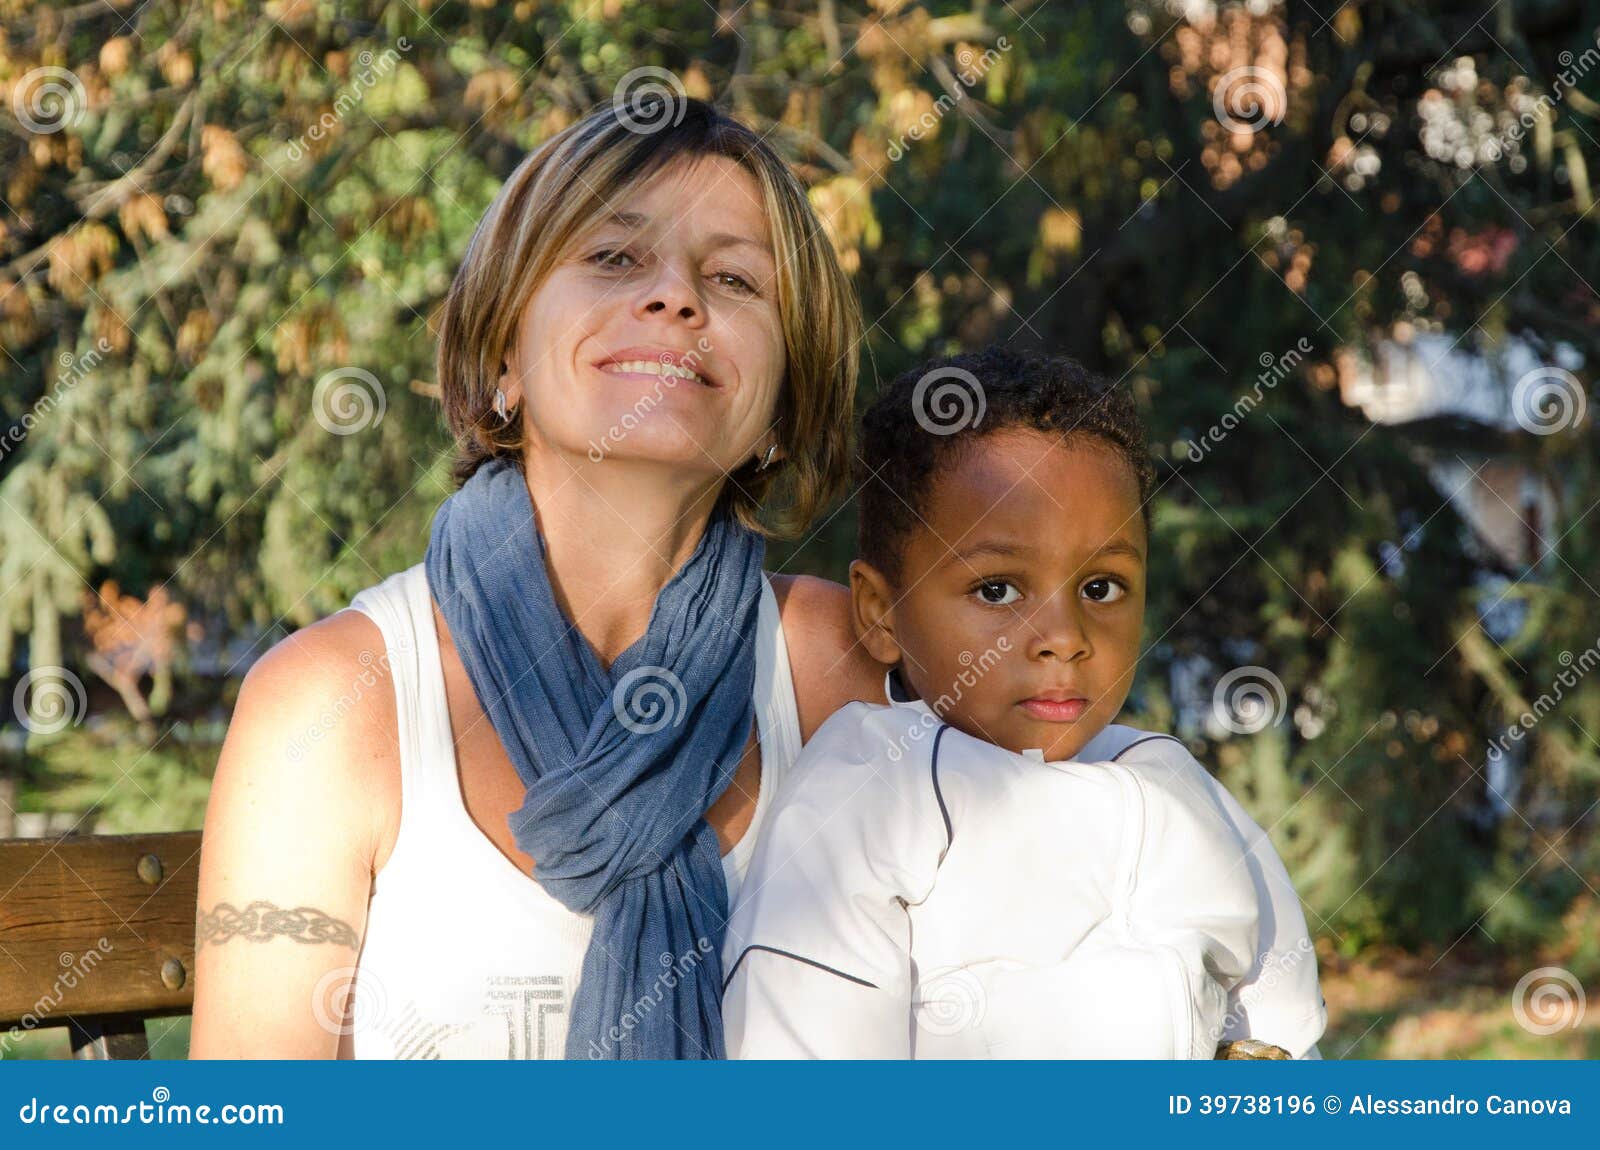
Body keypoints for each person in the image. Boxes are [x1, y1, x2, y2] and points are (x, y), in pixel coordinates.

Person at [189, 98, 886, 1059]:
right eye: (613, 257)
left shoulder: (837, 666)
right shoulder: (331, 708)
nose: (677, 298)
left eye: (732, 278)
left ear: (778, 403)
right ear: (502, 356)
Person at [723, 346, 1329, 1059]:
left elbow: (1285, 1036)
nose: (1064, 638)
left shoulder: (1183, 790)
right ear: (881, 612)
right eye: (997, 590)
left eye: (1101, 588)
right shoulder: (863, 797)